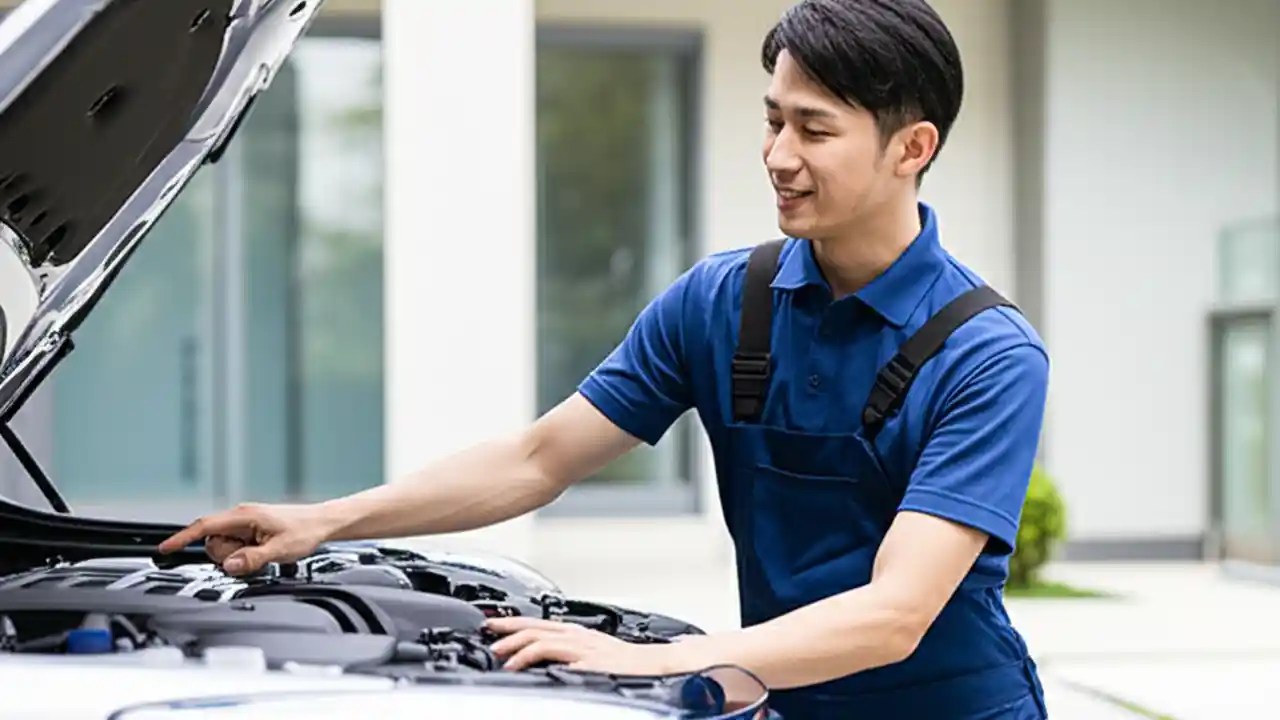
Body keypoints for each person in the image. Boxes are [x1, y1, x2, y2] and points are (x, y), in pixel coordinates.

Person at [160, 0, 1050, 717]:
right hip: (780, 701)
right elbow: (537, 460)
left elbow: (896, 615)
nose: (778, 156)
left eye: (814, 132)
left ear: (912, 148)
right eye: (773, 120)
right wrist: (325, 521)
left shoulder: (987, 355)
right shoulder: (720, 302)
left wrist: (652, 660)